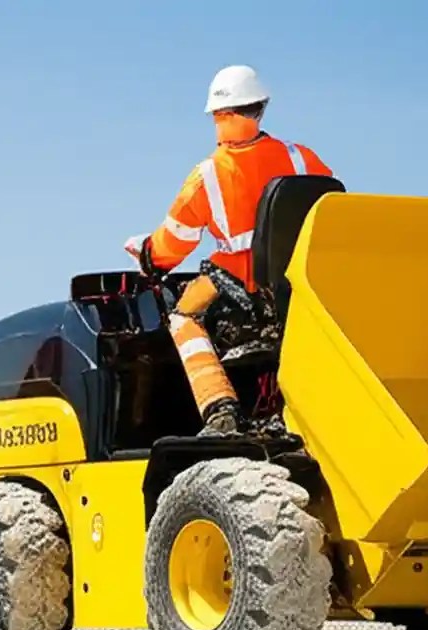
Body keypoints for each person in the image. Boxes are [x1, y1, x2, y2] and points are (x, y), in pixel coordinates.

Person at [124, 64, 333, 435]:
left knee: (182, 317)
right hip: (296, 288)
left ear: (220, 115)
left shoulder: (207, 175)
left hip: (237, 287)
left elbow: (173, 245)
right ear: (261, 108)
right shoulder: (303, 158)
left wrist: (146, 256)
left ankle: (219, 409)